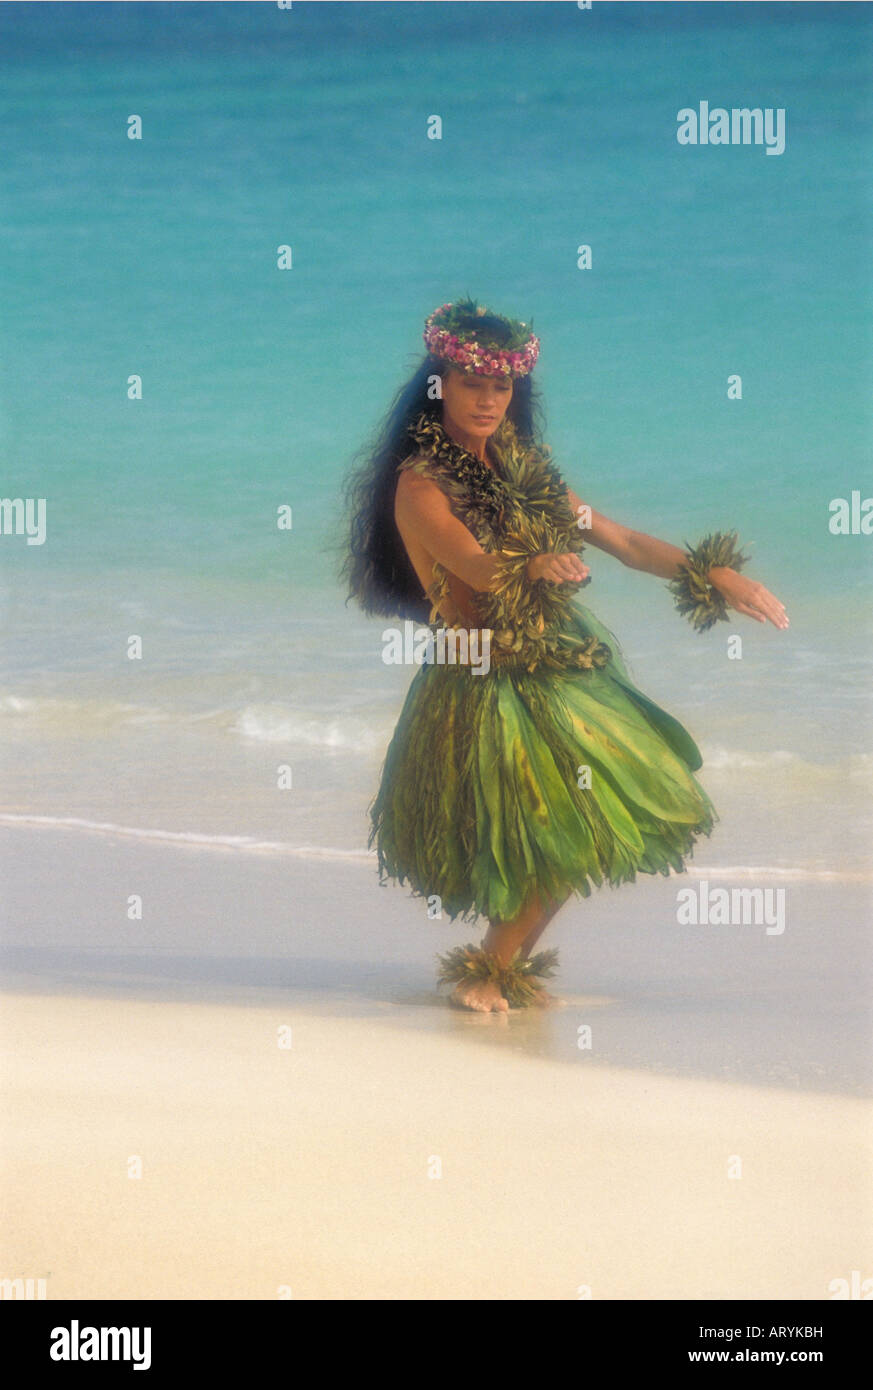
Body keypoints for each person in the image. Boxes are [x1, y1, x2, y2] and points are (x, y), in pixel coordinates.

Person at [341, 298, 789, 1013]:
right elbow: (475, 565)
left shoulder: (529, 473)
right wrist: (531, 563)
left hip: (553, 663)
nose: (487, 399)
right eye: (470, 383)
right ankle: (488, 969)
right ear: (440, 386)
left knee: (576, 826)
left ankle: (494, 967)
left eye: (500, 386)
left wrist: (712, 574)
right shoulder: (420, 485)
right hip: (482, 677)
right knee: (549, 831)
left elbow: (623, 541)